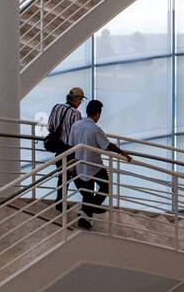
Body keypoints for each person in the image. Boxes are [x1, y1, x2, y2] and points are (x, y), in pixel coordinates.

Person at [67, 99, 133, 229]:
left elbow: (71, 146)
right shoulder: (95, 129)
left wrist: (70, 166)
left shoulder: (76, 125)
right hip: (93, 166)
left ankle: (86, 215)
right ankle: (91, 209)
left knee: (88, 192)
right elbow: (107, 145)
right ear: (97, 114)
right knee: (104, 186)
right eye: (99, 114)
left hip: (79, 164)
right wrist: (123, 153)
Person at [44, 87, 84, 207]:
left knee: (63, 175)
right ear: (76, 99)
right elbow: (77, 134)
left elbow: (50, 126)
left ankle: (60, 201)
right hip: (69, 149)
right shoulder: (76, 114)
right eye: (80, 100)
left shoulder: (57, 107)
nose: (80, 103)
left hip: (57, 147)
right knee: (71, 175)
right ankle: (88, 201)